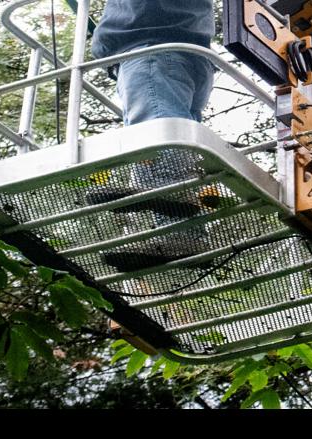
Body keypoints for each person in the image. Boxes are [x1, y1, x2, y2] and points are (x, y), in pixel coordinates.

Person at [88, 0, 218, 271]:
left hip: (151, 47)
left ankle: (181, 227)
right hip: (182, 52)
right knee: (174, 134)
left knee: (155, 130)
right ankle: (186, 232)